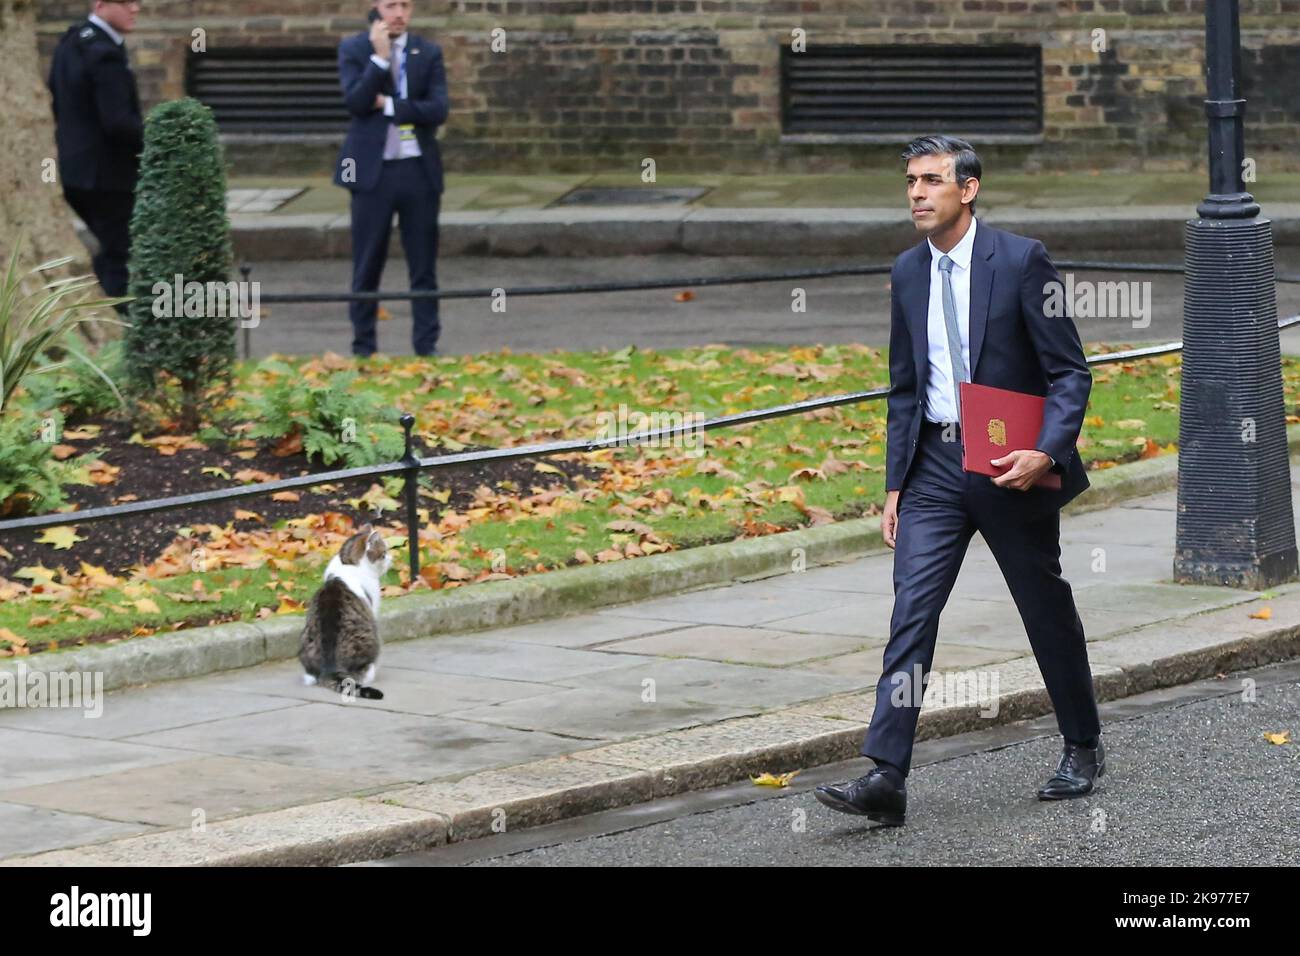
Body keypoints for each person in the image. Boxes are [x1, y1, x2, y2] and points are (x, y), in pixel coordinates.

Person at [814, 135, 1104, 827]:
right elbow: (903, 388)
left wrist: (1046, 451)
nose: (917, 193)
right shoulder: (908, 272)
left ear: (968, 189)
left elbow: (1071, 372)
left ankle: (1083, 744)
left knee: (1043, 605)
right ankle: (886, 774)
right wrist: (894, 484)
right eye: (910, 181)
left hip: (1009, 462)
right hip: (935, 469)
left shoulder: (1022, 260)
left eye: (931, 181)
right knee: (911, 613)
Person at [334, 0, 448, 358]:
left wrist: (389, 105)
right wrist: (380, 59)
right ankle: (364, 348)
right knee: (367, 264)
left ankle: (426, 347)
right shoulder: (354, 49)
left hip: (417, 171)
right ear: (375, 9)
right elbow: (355, 102)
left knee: (423, 264)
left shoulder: (427, 52)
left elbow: (438, 110)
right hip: (373, 172)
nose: (399, 13)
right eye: (391, 5)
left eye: (406, 5)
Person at [48, 0, 144, 309]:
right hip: (107, 176)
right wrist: (160, 142)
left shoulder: (72, 40)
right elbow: (118, 124)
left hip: (75, 172)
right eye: (127, 2)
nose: (136, 9)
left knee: (110, 248)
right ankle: (117, 322)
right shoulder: (104, 53)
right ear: (101, 4)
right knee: (119, 253)